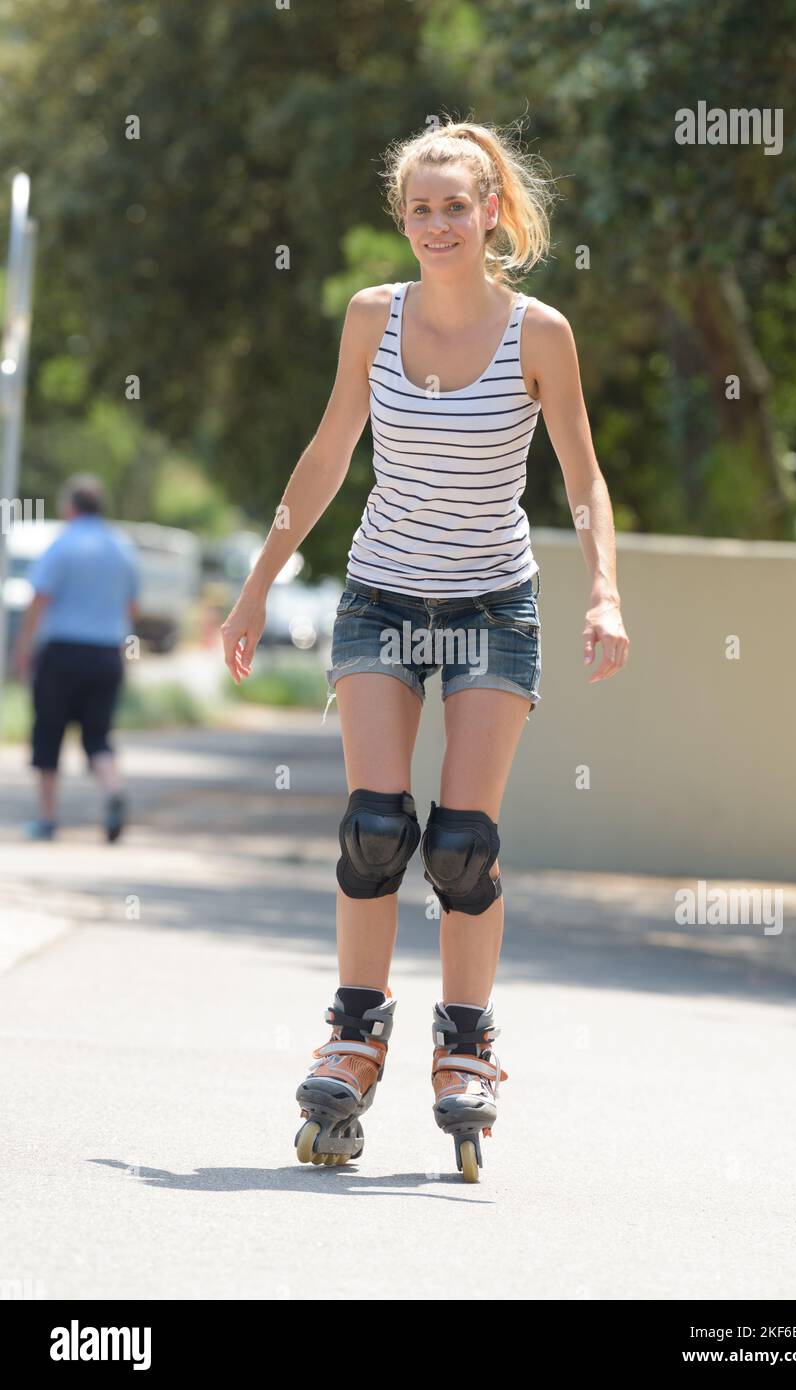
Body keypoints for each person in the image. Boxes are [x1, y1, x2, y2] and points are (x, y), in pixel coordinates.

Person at [221, 118, 629, 1181]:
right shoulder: (372, 317)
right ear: (401, 220)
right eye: (421, 209)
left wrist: (607, 593)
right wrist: (257, 587)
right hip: (381, 595)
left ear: (493, 210)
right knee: (372, 829)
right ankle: (355, 1035)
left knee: (462, 844)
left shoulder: (541, 333)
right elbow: (327, 451)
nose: (440, 224)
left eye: (458, 205)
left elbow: (583, 476)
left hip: (494, 603)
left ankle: (464, 1040)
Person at [13, 473, 140, 842]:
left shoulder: (62, 545)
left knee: (49, 733)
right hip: (106, 655)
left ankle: (48, 819)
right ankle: (113, 790)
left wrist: (23, 650)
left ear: (71, 507)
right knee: (98, 737)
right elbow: (132, 607)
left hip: (62, 653)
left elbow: (39, 600)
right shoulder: (121, 548)